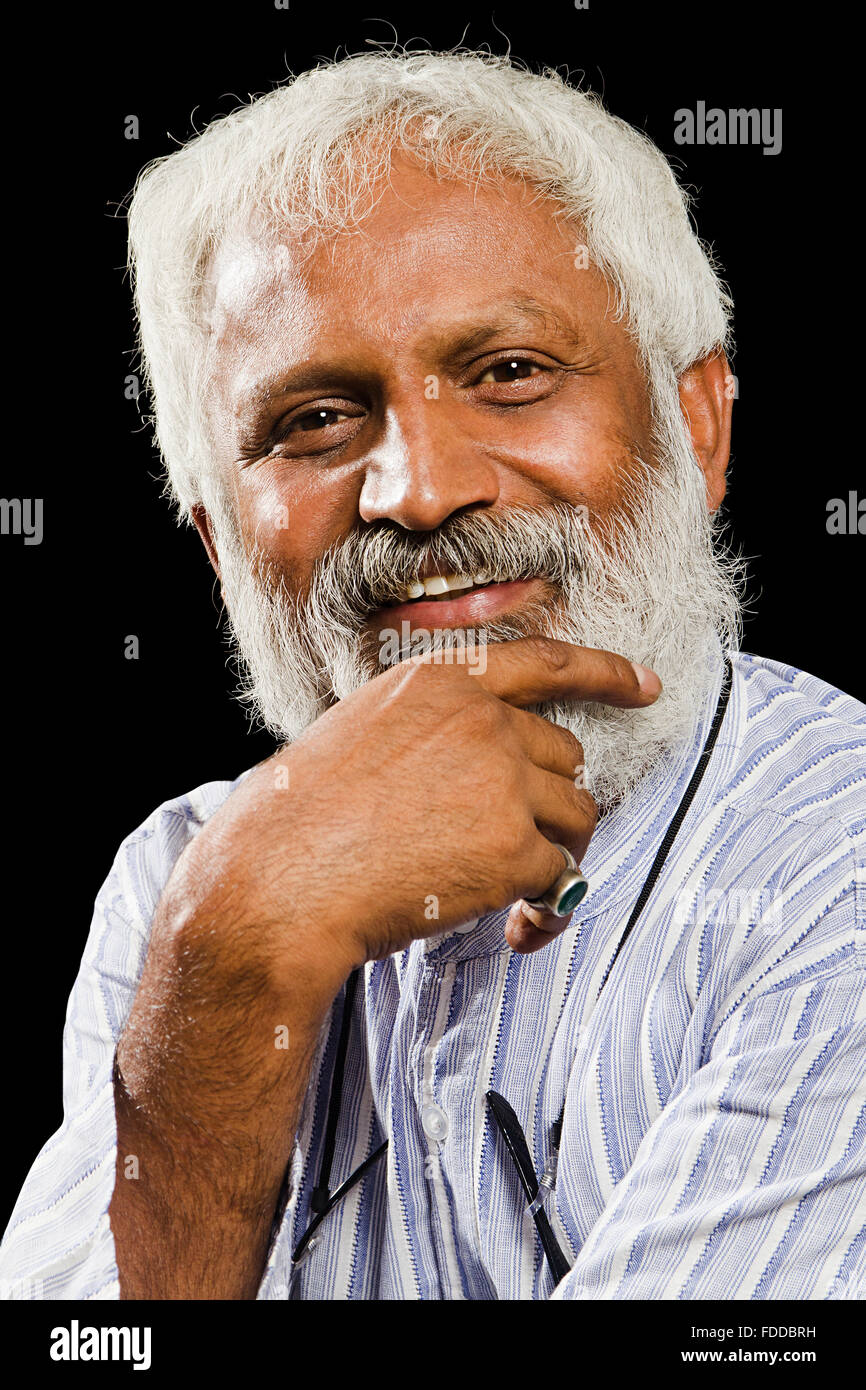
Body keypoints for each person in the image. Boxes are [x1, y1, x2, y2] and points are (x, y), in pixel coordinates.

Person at [2, 49, 863, 1301]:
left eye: (509, 372)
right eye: (314, 420)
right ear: (219, 542)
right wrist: (233, 960)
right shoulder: (186, 890)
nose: (419, 490)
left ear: (698, 424)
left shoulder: (836, 864)